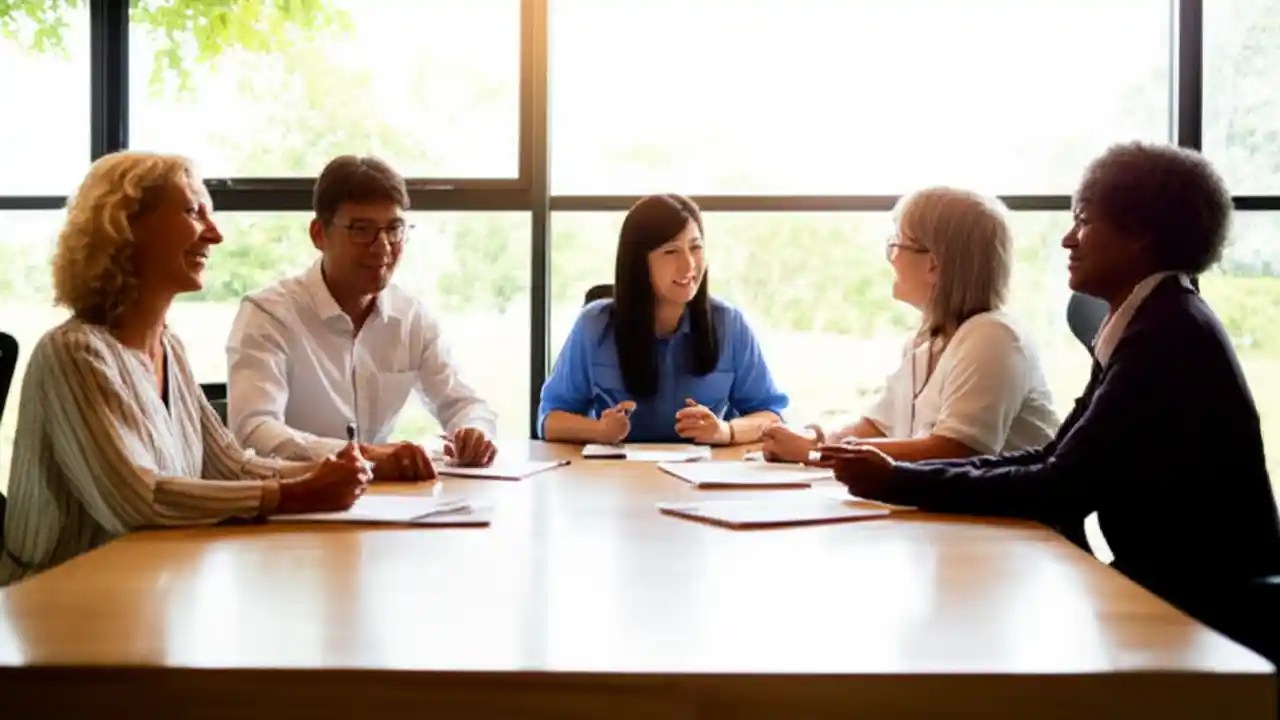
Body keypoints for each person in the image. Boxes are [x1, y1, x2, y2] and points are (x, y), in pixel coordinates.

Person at [820, 142, 1280, 661]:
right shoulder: (1153, 319)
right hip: (1172, 591)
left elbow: (1061, 487)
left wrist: (899, 480)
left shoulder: (1165, 336)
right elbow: (1055, 455)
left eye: (1083, 221)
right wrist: (899, 478)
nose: (1067, 239)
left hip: (1206, 613)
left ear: (1140, 234)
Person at [1, 151, 372, 586]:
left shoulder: (168, 348)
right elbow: (138, 499)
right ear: (126, 225)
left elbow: (231, 466)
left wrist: (343, 469)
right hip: (56, 607)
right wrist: (296, 493)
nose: (214, 235)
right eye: (194, 212)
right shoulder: (74, 353)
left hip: (144, 589)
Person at [226, 155, 497, 474]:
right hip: (292, 503)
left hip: (382, 503)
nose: (382, 246)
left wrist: (473, 432)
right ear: (318, 235)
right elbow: (254, 432)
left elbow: (465, 403)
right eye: (361, 230)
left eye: (395, 229)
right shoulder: (269, 314)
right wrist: (361, 455)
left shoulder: (410, 316)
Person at [762, 187, 1059, 463]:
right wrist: (815, 438)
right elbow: (877, 426)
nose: (891, 258)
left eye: (897, 244)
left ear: (933, 265)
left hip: (1009, 518)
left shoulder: (994, 338)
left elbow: (954, 450)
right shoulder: (926, 342)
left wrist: (819, 453)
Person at [539, 193, 787, 445]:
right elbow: (549, 419)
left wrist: (725, 431)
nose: (689, 264)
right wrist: (599, 431)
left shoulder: (729, 324)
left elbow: (771, 415)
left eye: (696, 247)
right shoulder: (595, 324)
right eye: (671, 251)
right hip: (617, 478)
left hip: (701, 478)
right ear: (638, 262)